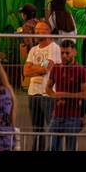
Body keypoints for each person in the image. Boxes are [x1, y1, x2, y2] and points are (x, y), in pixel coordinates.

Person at [22, 20, 61, 150]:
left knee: (52, 127)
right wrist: (38, 68)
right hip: (33, 93)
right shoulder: (33, 49)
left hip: (47, 94)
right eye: (36, 29)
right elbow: (25, 71)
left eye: (41, 29)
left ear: (49, 31)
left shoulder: (54, 47)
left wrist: (36, 67)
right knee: (36, 128)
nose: (37, 32)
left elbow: (47, 67)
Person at [46, 39, 86, 151]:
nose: (64, 56)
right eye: (62, 53)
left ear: (74, 52)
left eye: (67, 53)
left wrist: (64, 95)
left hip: (73, 115)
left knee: (70, 147)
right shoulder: (56, 68)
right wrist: (55, 96)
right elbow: (48, 88)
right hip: (57, 115)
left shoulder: (81, 71)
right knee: (53, 146)